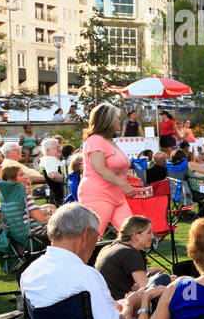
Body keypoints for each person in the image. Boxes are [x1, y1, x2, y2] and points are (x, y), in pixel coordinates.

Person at [21, 204, 139, 319]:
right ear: (86, 234)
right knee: (166, 311)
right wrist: (131, 305)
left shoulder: (29, 272)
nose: (96, 243)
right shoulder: (85, 275)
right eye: (97, 237)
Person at [79, 102, 135, 236]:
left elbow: (116, 167)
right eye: (116, 118)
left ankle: (125, 257)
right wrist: (123, 184)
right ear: (107, 121)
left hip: (117, 196)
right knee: (92, 238)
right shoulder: (95, 140)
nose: (119, 120)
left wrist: (128, 178)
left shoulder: (109, 141)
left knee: (134, 234)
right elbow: (100, 168)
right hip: (99, 195)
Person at [95, 216, 157, 300]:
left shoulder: (110, 248)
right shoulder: (131, 253)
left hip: (104, 302)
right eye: (149, 232)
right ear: (136, 235)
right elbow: (147, 289)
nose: (152, 236)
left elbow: (127, 286)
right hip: (118, 305)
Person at [0, 163, 54, 227]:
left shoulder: (6, 197)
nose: (26, 177)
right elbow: (42, 220)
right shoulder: (24, 196)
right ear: (12, 180)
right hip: (36, 232)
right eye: (21, 175)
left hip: (17, 234)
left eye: (24, 173)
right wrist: (59, 218)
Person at [36, 137, 66, 205]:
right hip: (60, 199)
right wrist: (68, 180)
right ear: (48, 151)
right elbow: (52, 175)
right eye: (57, 147)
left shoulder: (50, 159)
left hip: (58, 198)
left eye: (59, 146)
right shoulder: (50, 159)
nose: (60, 149)